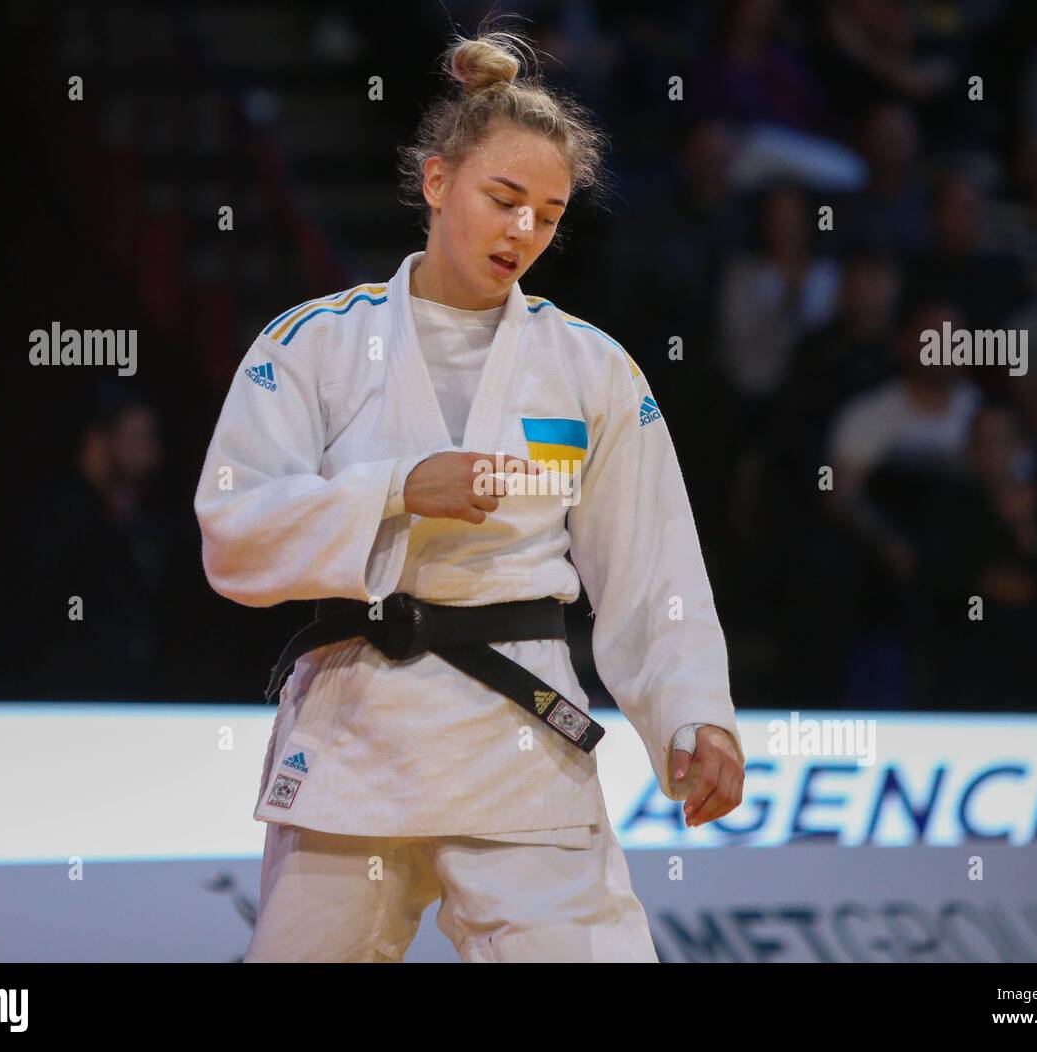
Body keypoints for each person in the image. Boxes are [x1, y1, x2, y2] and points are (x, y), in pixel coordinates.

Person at [193, 30, 746, 963]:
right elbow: (233, 534)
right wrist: (396, 492)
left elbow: (654, 569)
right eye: (504, 200)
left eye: (548, 213)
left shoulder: (591, 368)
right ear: (438, 181)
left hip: (517, 735)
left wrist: (695, 718)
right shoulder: (316, 343)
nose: (523, 232)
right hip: (357, 732)